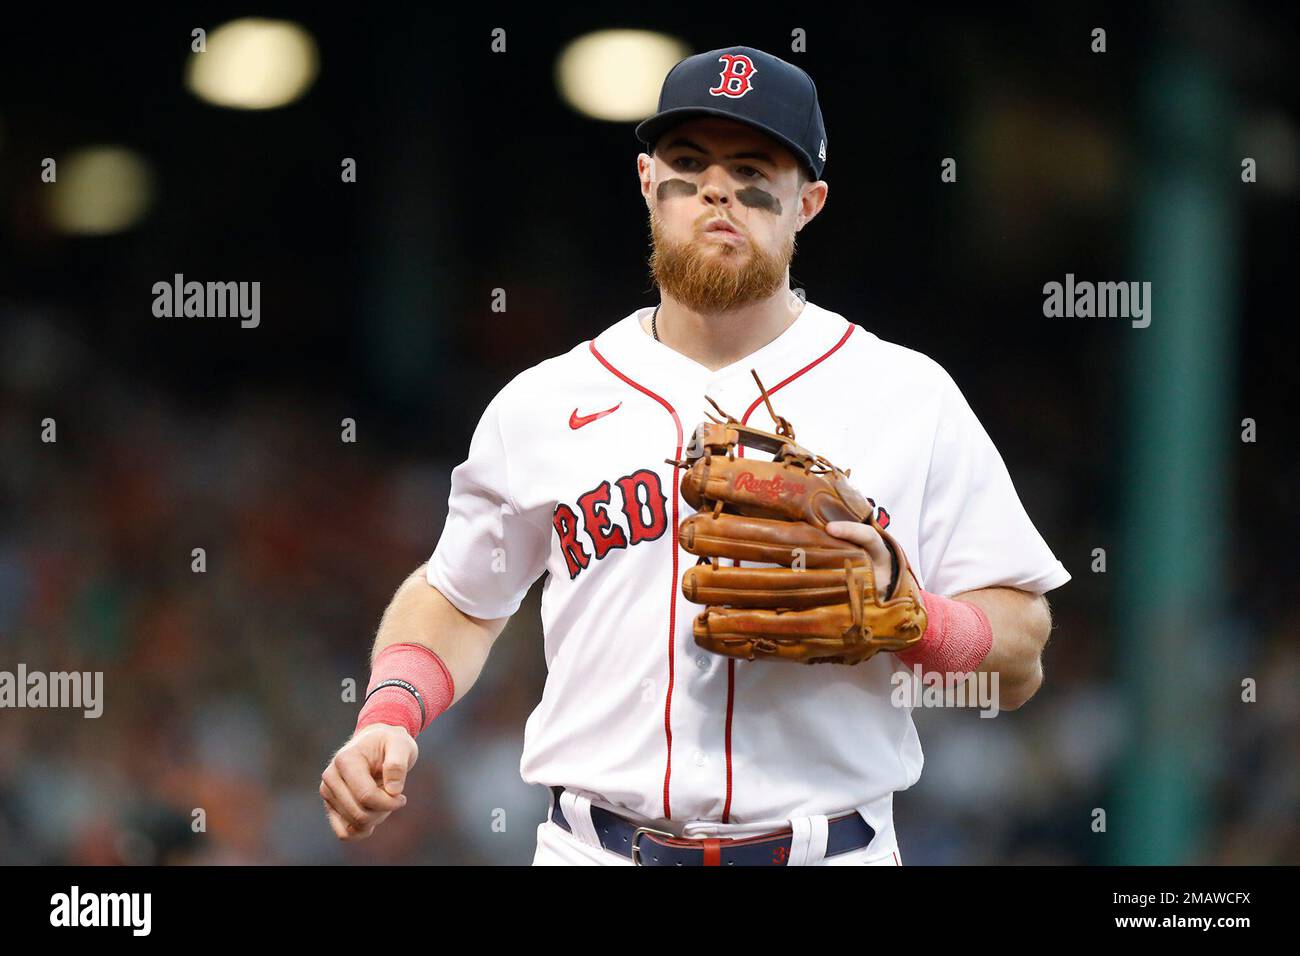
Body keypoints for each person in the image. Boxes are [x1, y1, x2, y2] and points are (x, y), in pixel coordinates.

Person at [320, 45, 1069, 866]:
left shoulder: (907, 395)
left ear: (807, 204)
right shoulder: (543, 403)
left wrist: (922, 621)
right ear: (648, 183)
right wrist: (389, 713)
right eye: (688, 162)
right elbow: (460, 599)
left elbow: (1021, 655)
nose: (717, 188)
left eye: (753, 167)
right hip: (594, 850)